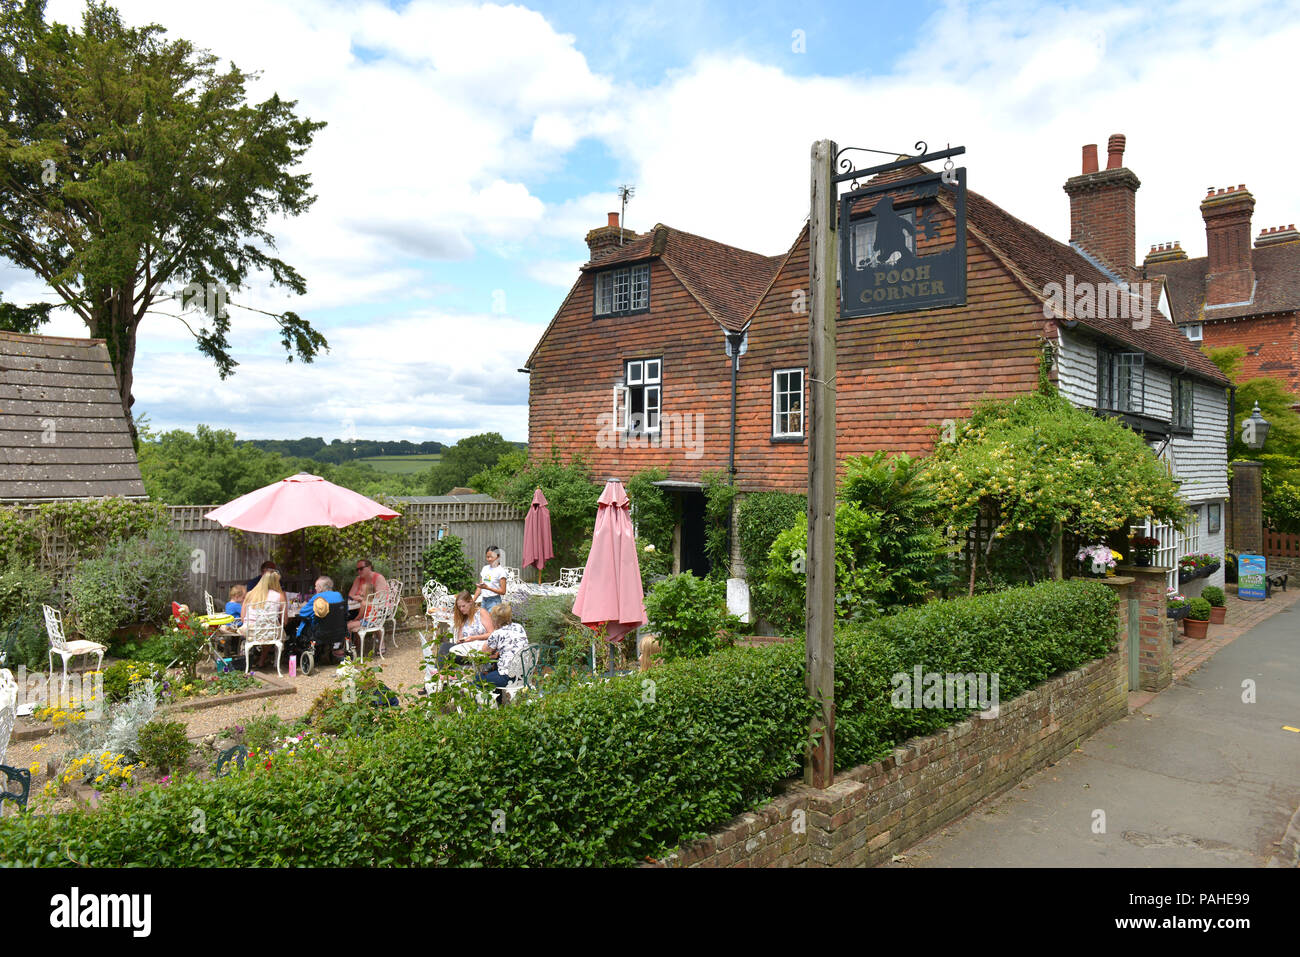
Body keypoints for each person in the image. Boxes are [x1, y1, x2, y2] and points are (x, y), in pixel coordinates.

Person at [477, 603, 530, 694]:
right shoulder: (519, 627)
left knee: (478, 679)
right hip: (524, 674)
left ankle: (485, 706)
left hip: (508, 677)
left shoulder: (497, 633)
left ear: (494, 620)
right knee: (494, 669)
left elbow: (484, 652)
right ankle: (498, 701)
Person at [240, 570, 287, 668]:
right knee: (272, 630)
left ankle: (248, 661)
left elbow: (243, 617)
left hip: (250, 630)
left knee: (263, 630)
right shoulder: (280, 596)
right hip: (270, 632)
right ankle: (262, 660)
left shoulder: (250, 594)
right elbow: (284, 621)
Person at [474, 546, 507, 611]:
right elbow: (479, 588)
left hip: (494, 602)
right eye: (487, 557)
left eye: (491, 557)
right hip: (484, 601)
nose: (489, 559)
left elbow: (503, 591)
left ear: (498, 557)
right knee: (483, 620)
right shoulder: (485, 568)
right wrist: (473, 600)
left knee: (492, 621)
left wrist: (488, 588)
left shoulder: (501, 571)